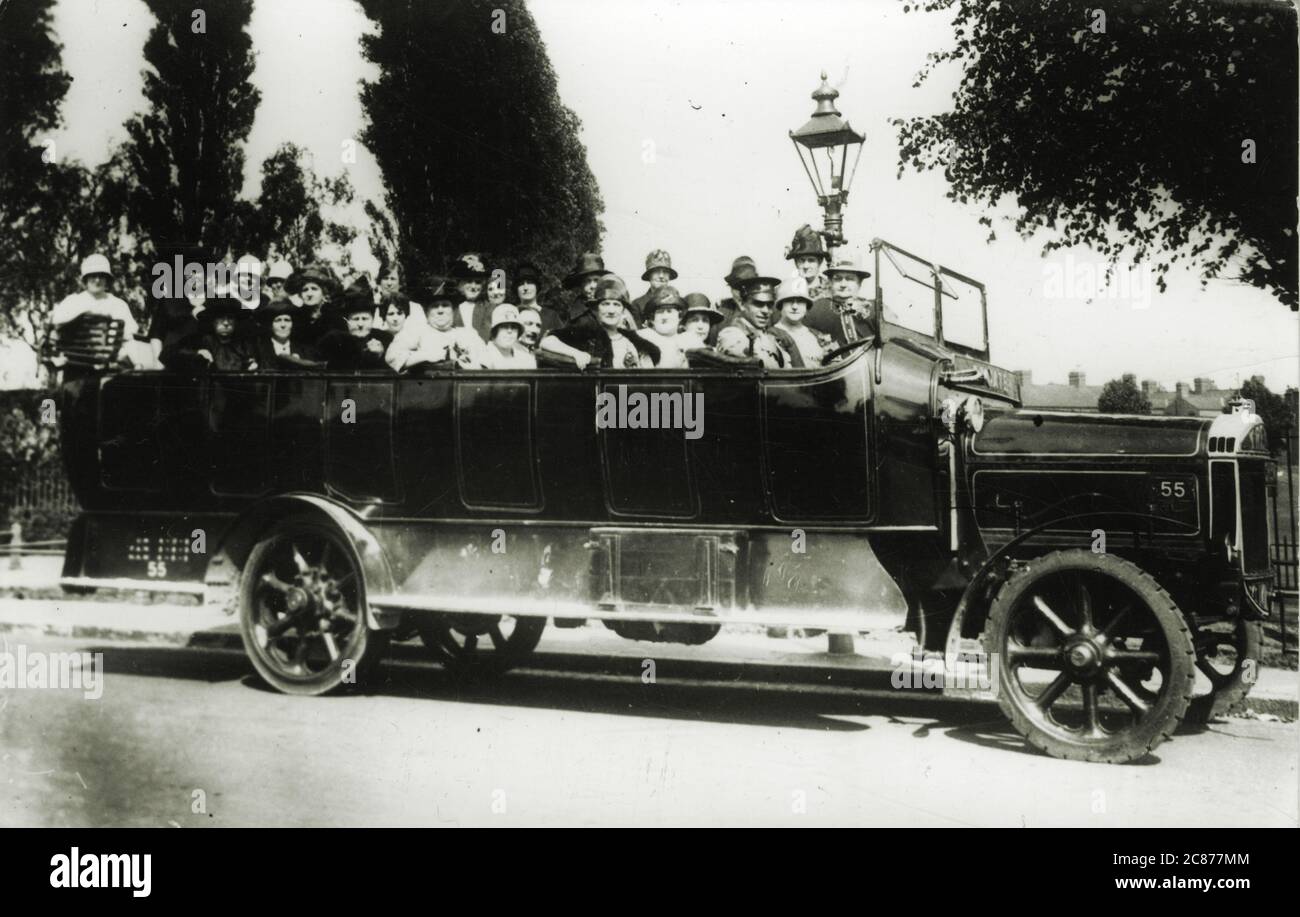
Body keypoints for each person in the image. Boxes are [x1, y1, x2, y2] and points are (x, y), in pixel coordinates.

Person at [52, 254, 154, 368]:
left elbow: (129, 338)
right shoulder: (72, 302)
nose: (97, 280)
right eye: (93, 276)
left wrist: (136, 363)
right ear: (85, 279)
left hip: (109, 367)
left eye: (101, 276)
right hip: (76, 367)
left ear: (107, 279)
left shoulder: (118, 305)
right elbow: (56, 332)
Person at [540, 276, 659, 369]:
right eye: (605, 304)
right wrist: (576, 354)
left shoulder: (633, 339)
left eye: (616, 305)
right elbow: (547, 342)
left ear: (623, 310)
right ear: (597, 309)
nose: (611, 310)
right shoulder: (585, 333)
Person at [314, 277, 392, 371]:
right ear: (347, 321)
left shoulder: (385, 338)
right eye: (355, 319)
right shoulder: (333, 340)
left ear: (372, 320)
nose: (360, 324)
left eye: (365, 319)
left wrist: (381, 356)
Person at [160, 299, 256, 372]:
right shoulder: (200, 340)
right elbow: (166, 355)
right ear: (212, 320)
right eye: (220, 317)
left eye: (230, 318)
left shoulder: (244, 345)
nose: (226, 323)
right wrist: (196, 355)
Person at [715, 270, 785, 368]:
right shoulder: (732, 336)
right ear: (742, 304)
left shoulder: (770, 337)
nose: (765, 311)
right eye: (758, 304)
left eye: (769, 305)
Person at [805, 254, 876, 348]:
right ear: (830, 282)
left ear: (859, 283)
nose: (843, 284)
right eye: (837, 279)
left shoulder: (874, 308)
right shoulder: (816, 308)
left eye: (850, 279)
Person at [769, 279, 834, 368]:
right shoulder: (772, 335)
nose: (795, 307)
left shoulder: (816, 334)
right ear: (781, 306)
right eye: (789, 301)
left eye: (800, 301)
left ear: (806, 307)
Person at [249, 300, 322, 372]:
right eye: (278, 320)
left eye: (287, 320)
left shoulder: (306, 351)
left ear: (292, 324)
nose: (283, 325)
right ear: (270, 325)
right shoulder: (258, 350)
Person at [289, 263, 345, 349]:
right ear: (300, 295)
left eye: (314, 289)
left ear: (324, 293)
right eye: (305, 290)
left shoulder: (335, 319)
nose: (309, 294)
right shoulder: (295, 319)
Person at [424, 290, 486, 368]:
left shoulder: (469, 334)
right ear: (427, 313)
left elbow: (486, 361)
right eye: (435, 306)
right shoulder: (419, 336)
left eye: (445, 305)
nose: (440, 310)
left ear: (453, 311)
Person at [635, 285, 688, 368]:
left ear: (680, 316)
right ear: (652, 319)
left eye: (669, 311)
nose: (665, 317)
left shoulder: (688, 342)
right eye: (660, 312)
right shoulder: (641, 340)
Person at [711, 255, 756, 345]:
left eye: (748, 287)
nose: (742, 293)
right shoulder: (722, 313)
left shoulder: (769, 311)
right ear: (731, 287)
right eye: (737, 287)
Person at [560, 251, 608, 330]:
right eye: (587, 281)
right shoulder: (575, 315)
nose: (592, 286)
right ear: (581, 285)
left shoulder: (611, 306)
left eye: (596, 280)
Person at [449, 252, 492, 341]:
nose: (473, 286)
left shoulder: (489, 308)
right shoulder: (451, 307)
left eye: (477, 282)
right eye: (468, 281)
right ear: (460, 284)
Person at [629, 249, 677, 328]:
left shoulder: (678, 303)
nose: (661, 276)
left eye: (665, 272)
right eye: (657, 271)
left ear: (669, 276)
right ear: (649, 275)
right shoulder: (637, 305)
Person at [481, 305, 537, 369]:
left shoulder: (527, 359)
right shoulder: (483, 355)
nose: (509, 331)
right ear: (494, 330)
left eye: (513, 327)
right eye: (504, 326)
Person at [784, 224, 829, 301]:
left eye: (811, 260)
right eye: (802, 260)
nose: (806, 266)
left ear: (820, 262)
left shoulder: (831, 290)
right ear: (795, 263)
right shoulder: (786, 291)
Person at [514, 262, 562, 334]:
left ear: (537, 287)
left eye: (530, 283)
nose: (525, 288)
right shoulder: (511, 313)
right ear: (516, 289)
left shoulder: (551, 316)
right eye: (521, 284)